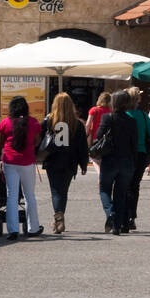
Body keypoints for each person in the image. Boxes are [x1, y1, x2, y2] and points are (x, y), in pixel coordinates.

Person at [40, 92, 88, 234]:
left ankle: (58, 216)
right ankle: (59, 217)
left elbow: (39, 139)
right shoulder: (77, 124)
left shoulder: (49, 121)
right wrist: (83, 163)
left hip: (52, 160)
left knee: (55, 191)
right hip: (70, 161)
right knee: (63, 192)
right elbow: (82, 146)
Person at [0, 96, 42, 238]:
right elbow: (36, 141)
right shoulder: (33, 122)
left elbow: (1, 143)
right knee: (29, 195)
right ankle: (33, 228)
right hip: (27, 161)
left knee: (12, 196)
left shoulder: (5, 123)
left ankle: (13, 230)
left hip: (10, 161)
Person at [94, 90, 137, 234]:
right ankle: (117, 226)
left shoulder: (108, 118)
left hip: (110, 160)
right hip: (126, 161)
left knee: (104, 189)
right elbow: (134, 144)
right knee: (121, 193)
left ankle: (110, 214)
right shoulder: (132, 121)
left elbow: (99, 135)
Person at [122, 87, 150, 231]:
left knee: (123, 185)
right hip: (140, 153)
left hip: (124, 154)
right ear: (136, 99)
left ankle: (122, 216)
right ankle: (131, 217)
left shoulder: (123, 114)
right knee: (134, 186)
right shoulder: (143, 116)